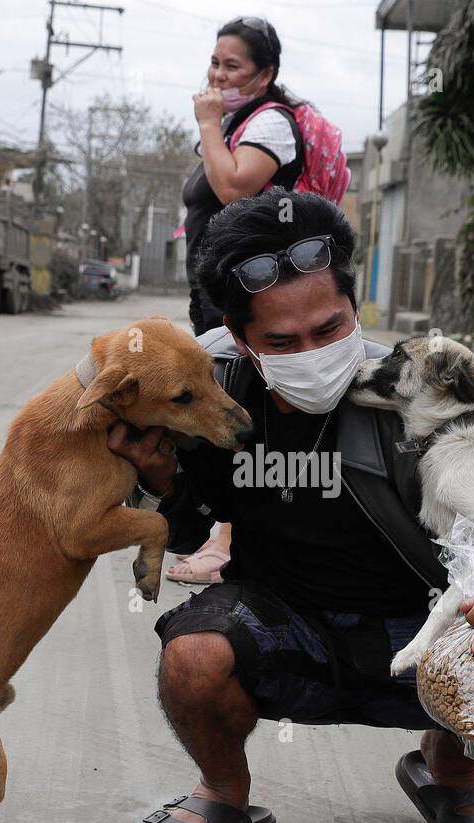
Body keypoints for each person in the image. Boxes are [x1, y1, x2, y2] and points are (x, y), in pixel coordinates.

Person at [108, 190, 474, 823]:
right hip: (287, 626)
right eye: (281, 341)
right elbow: (188, 529)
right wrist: (161, 481)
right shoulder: (215, 397)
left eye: (331, 328)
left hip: (422, 630)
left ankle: (448, 770)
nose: (313, 353)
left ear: (355, 310)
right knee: (193, 655)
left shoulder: (427, 393)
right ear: (240, 338)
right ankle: (225, 791)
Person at [170, 16, 308, 587]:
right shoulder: (235, 122)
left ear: (266, 74)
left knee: (242, 403)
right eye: (214, 62)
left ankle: (230, 540)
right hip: (219, 290)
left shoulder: (269, 123)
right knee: (229, 398)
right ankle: (223, 531)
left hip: (250, 289)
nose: (218, 74)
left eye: (233, 66)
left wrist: (207, 120)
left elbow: (233, 187)